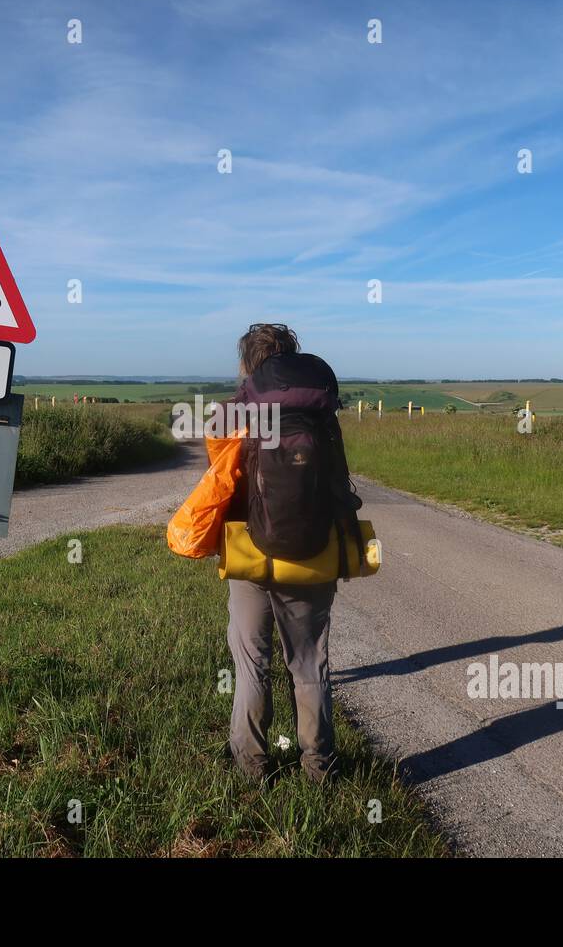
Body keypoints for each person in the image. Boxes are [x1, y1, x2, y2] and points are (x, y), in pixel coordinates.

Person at [223, 323, 361, 782]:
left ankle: (251, 765)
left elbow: (219, 483)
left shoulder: (236, 411)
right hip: (313, 552)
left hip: (251, 553)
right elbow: (339, 484)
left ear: (249, 363)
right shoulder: (323, 415)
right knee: (309, 662)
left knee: (251, 661)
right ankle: (319, 767)